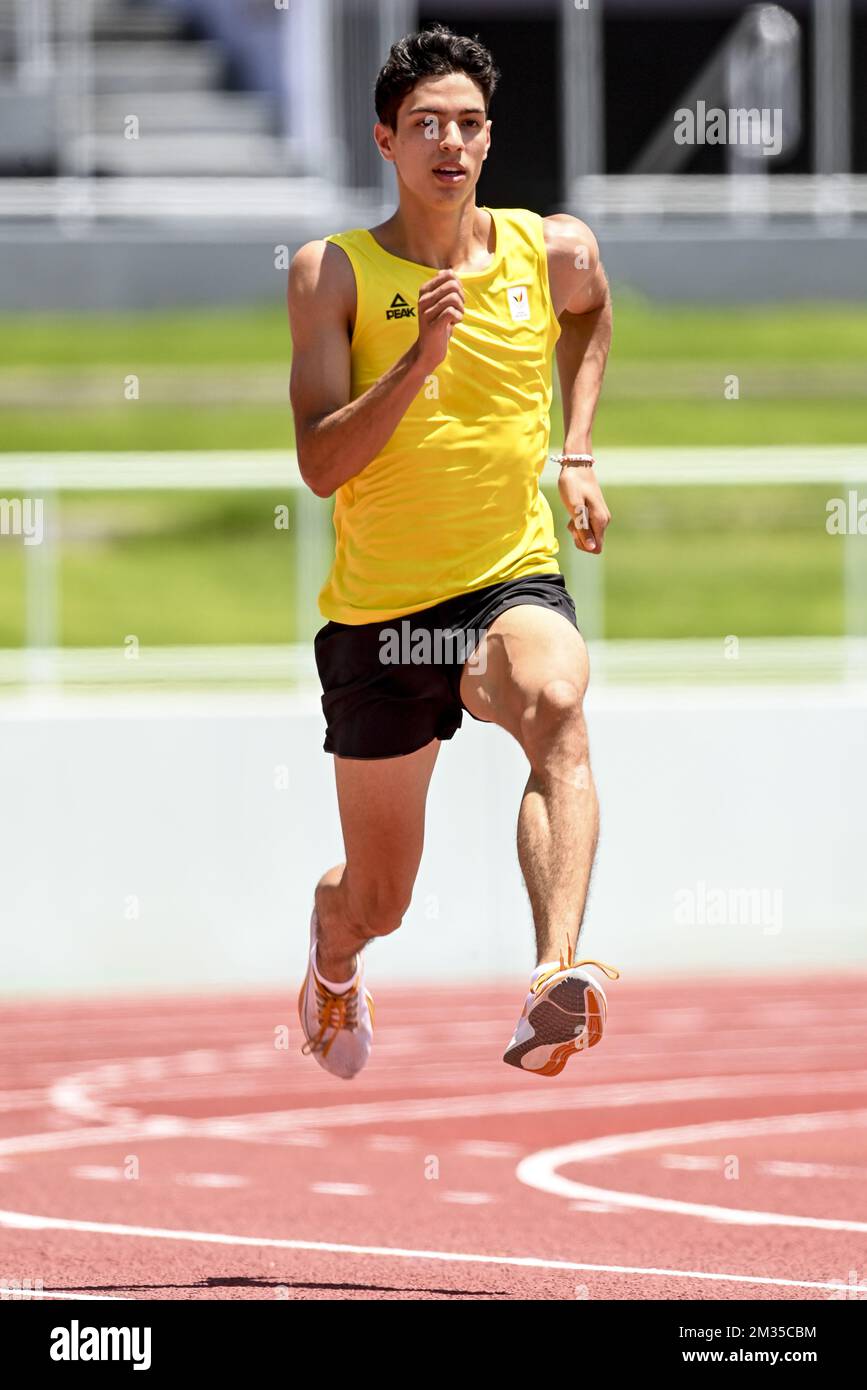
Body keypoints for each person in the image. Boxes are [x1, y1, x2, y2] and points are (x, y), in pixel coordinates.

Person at [287, 24, 619, 1081]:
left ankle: (553, 977)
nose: (451, 143)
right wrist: (419, 358)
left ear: (488, 139)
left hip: (503, 580)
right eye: (426, 123)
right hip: (380, 615)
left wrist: (575, 449)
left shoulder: (547, 249)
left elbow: (593, 309)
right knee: (381, 896)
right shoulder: (331, 273)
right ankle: (333, 958)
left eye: (469, 124)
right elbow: (321, 464)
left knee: (557, 700)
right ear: (384, 139)